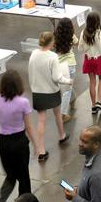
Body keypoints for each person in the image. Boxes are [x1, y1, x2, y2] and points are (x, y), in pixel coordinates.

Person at [0, 70, 36, 202]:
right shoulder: (23, 102)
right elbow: (29, 126)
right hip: (18, 141)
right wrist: (36, 145)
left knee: (11, 174)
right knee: (23, 176)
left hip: (3, 141)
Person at [29, 31, 72, 162]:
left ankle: (41, 150)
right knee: (57, 114)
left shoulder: (34, 53)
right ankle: (61, 135)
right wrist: (68, 81)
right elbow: (56, 77)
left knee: (41, 120)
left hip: (37, 91)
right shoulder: (53, 57)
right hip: (52, 91)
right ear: (51, 43)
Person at [78, 11, 101, 115]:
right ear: (98, 21)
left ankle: (93, 106)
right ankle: (99, 101)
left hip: (88, 60)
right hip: (99, 60)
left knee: (92, 82)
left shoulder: (83, 32)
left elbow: (80, 49)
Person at [54, 18, 78, 123]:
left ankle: (71, 102)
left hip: (59, 65)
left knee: (65, 88)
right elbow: (77, 43)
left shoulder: (55, 37)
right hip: (71, 64)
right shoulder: (71, 36)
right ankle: (63, 114)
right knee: (67, 90)